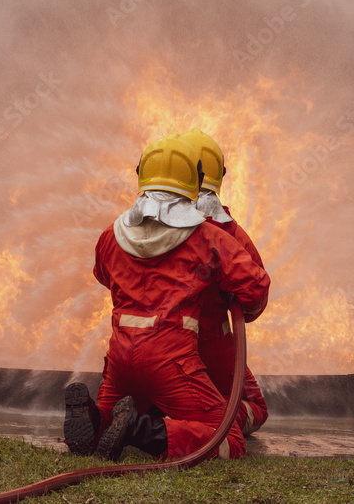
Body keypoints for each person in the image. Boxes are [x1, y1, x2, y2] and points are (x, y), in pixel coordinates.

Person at [63, 133, 269, 461]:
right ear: (196, 180)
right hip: (172, 362)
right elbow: (256, 289)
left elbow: (104, 276)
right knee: (229, 439)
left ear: (141, 175)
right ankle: (141, 429)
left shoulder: (109, 236)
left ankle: (92, 419)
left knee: (108, 415)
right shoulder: (209, 238)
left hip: (120, 359)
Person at [181, 128, 269, 436]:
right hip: (212, 346)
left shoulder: (146, 226)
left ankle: (129, 416)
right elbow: (256, 289)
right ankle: (208, 420)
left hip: (156, 340)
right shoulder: (227, 232)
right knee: (253, 406)